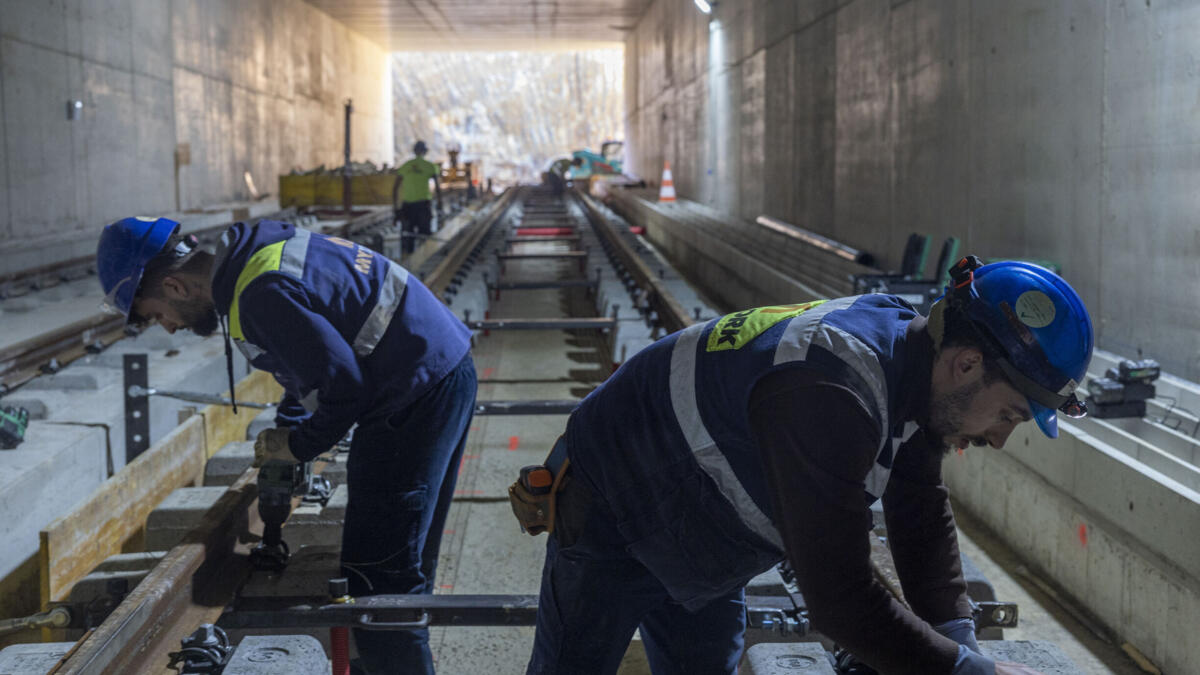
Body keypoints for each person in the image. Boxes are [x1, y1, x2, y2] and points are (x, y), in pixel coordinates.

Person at [524, 257, 1092, 675]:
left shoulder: (914, 363)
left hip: (706, 522)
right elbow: (840, 600)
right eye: (1010, 414)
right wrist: (963, 673)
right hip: (616, 501)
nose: (999, 438)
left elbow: (919, 506)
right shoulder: (830, 391)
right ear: (967, 364)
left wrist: (959, 641)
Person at [96, 216, 476, 674]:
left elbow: (346, 392)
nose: (170, 327)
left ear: (175, 287)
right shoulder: (255, 256)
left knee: (379, 578)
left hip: (413, 395)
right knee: (403, 555)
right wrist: (290, 425)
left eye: (157, 315)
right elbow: (310, 355)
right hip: (435, 372)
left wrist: (297, 445)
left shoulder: (260, 295)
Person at [394, 140, 442, 255]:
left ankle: (408, 259)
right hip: (423, 206)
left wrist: (395, 208)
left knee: (408, 236)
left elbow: (395, 188)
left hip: (407, 206)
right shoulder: (430, 166)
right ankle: (425, 258)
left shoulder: (405, 166)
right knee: (424, 236)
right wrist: (440, 203)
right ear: (425, 151)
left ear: (414, 151)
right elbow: (438, 188)